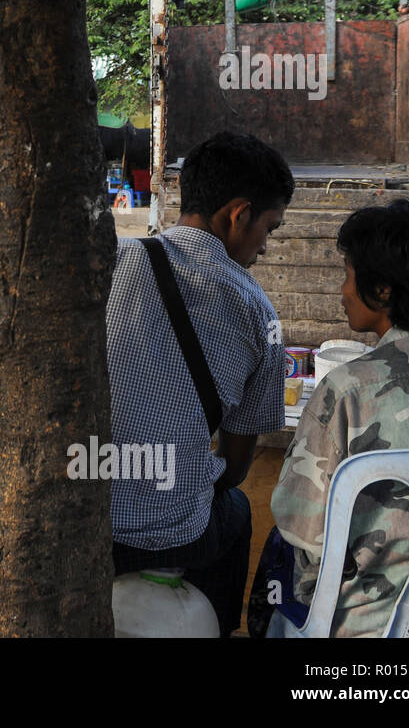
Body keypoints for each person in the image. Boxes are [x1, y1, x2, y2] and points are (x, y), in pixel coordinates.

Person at [107, 131, 292, 637]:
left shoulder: (114, 262)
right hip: (168, 537)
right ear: (238, 214)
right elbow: (233, 468)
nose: (265, 247)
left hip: (83, 512)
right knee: (233, 509)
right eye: (269, 229)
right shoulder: (258, 313)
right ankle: (213, 626)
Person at [269, 200, 409, 637]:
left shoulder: (347, 389)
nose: (342, 290)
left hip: (357, 627)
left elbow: (300, 528)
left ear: (382, 291)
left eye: (348, 274)